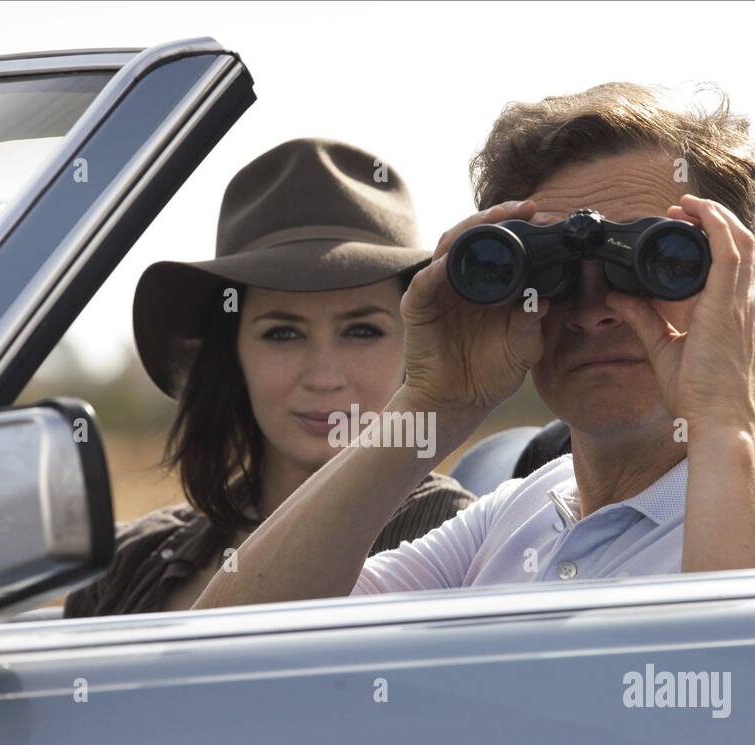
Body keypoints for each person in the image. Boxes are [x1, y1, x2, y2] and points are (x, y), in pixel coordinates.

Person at [192, 83, 755, 612]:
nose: (596, 309)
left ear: (741, 281)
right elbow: (232, 648)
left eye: (657, 262)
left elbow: (753, 732)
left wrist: (721, 421)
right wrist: (433, 402)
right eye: (549, 274)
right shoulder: (517, 515)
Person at [64, 139, 476, 617]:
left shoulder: (456, 538)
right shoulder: (129, 564)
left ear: (415, 344)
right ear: (232, 354)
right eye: (283, 333)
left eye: (362, 331)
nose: (323, 377)